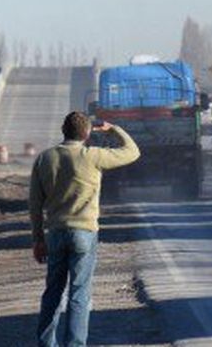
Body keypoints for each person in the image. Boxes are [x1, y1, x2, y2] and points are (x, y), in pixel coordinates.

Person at [30, 111, 140, 347]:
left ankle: (46, 343)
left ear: (63, 130)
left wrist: (38, 239)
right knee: (79, 294)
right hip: (84, 234)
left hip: (56, 234)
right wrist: (112, 129)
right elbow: (132, 151)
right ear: (87, 133)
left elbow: (35, 205)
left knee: (52, 293)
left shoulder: (44, 159)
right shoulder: (93, 156)